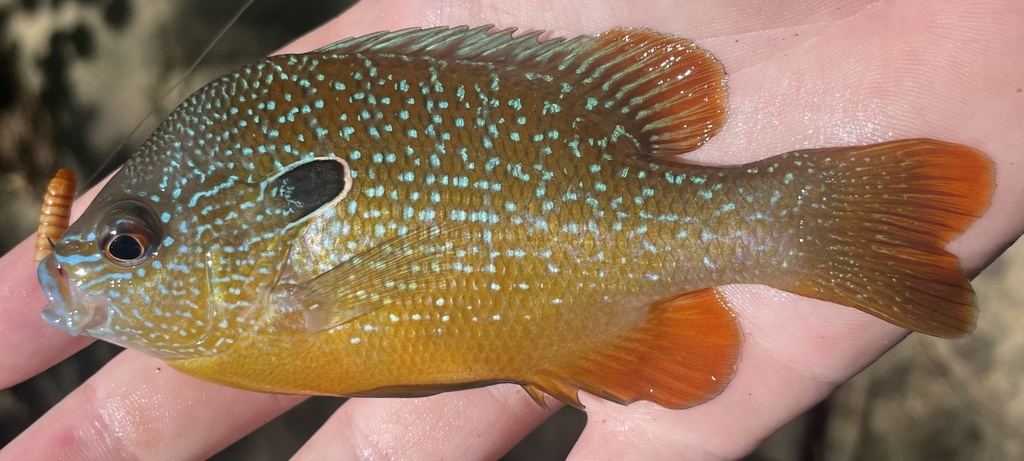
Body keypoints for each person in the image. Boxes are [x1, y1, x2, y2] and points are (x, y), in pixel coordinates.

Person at [1, 0, 1021, 459]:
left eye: (128, 241)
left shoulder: (250, 288)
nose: (94, 270)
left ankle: (801, 223)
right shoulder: (230, 278)